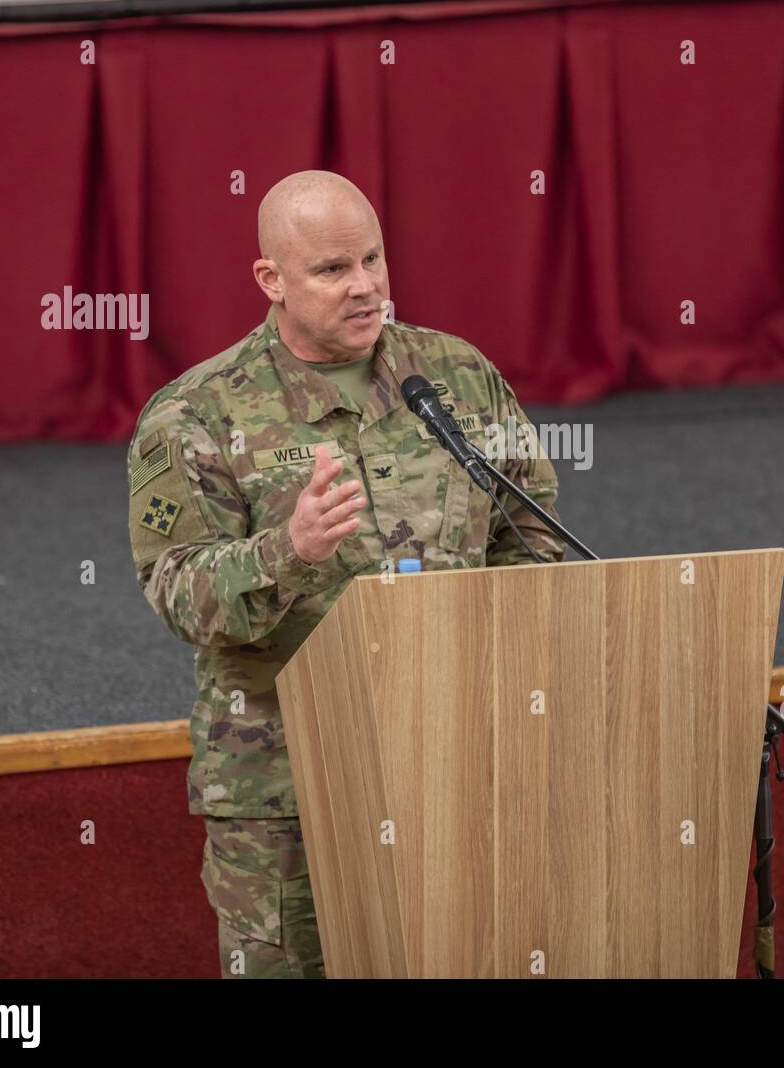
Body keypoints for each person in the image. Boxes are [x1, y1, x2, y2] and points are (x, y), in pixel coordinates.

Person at [126, 170, 563, 978]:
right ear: (272, 280)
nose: (364, 287)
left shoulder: (457, 377)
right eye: (332, 270)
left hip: (450, 757)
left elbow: (528, 529)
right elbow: (178, 590)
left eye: (372, 260)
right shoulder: (195, 415)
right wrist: (286, 551)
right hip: (285, 782)